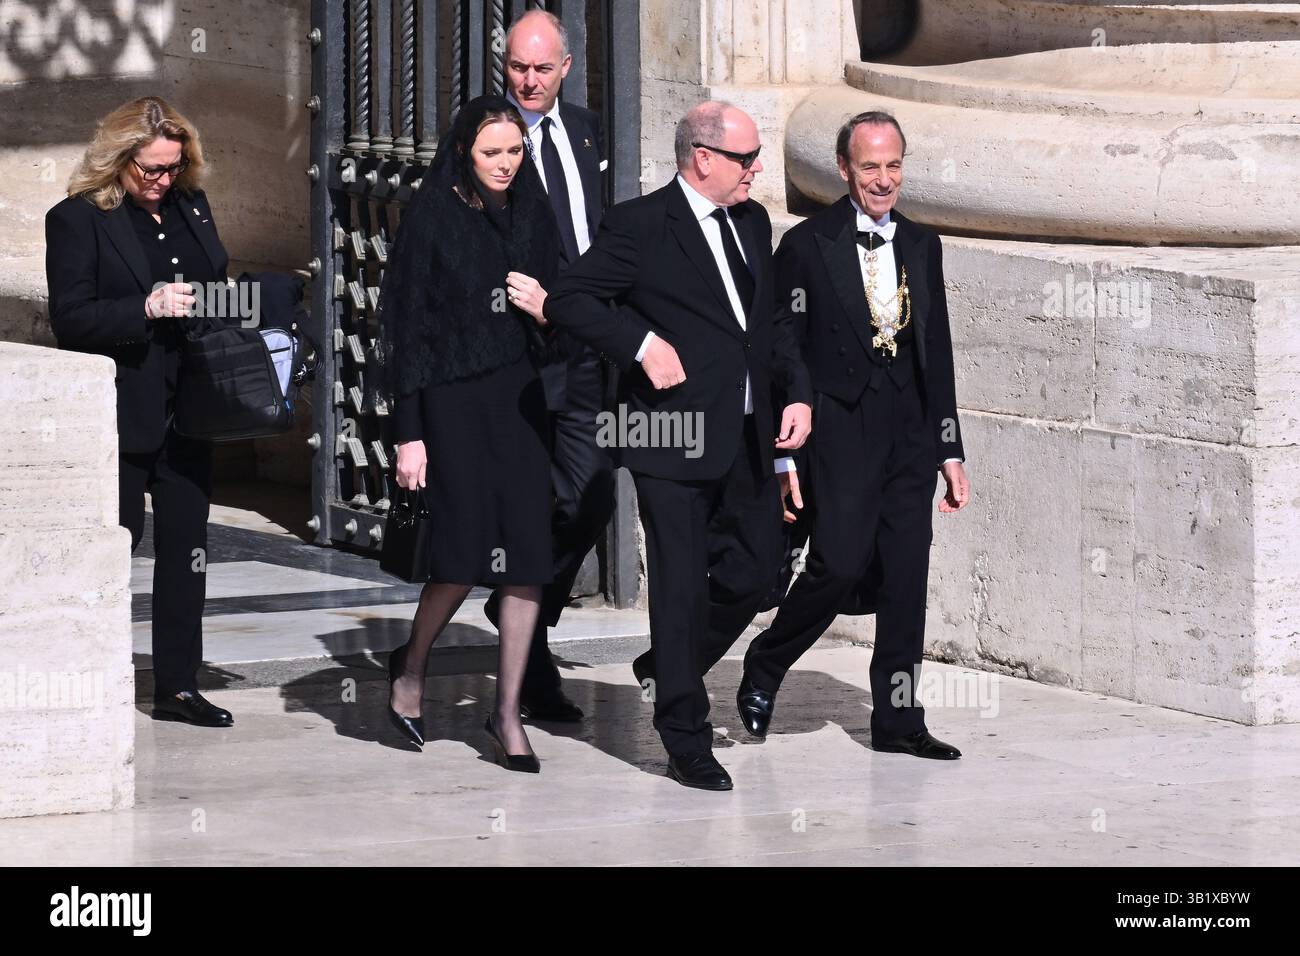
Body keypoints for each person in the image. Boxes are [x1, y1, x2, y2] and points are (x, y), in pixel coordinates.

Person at [544, 102, 813, 790]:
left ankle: (668, 664)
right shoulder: (639, 226)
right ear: (702, 158)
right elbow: (568, 297)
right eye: (746, 159)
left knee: (757, 576)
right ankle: (685, 736)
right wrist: (639, 345)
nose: (757, 170)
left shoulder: (752, 222)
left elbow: (773, 323)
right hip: (670, 437)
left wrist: (799, 395)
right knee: (681, 587)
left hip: (748, 437)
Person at [737, 111, 971, 759]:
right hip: (839, 431)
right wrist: (791, 436)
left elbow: (940, 351)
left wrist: (950, 448)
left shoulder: (925, 245)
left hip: (911, 436)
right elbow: (782, 344)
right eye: (870, 166)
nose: (884, 179)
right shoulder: (808, 246)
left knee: (905, 578)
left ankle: (898, 720)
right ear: (844, 169)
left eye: (894, 165)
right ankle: (766, 662)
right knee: (836, 565)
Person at [376, 96, 558, 772]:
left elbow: (566, 300)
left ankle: (507, 712)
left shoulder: (533, 209)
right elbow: (405, 335)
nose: (506, 164)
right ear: (464, 154)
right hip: (452, 406)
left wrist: (545, 309)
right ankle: (411, 667)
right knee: (457, 557)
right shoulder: (431, 218)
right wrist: (409, 434)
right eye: (492, 153)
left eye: (514, 151)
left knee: (527, 561)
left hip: (521, 401)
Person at [45, 96, 232, 728]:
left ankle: (177, 685)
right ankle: (86, 679)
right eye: (149, 169)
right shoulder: (78, 219)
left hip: (190, 409)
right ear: (119, 160)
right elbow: (71, 318)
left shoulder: (192, 207)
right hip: (121, 413)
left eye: (172, 168)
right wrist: (145, 309)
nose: (162, 181)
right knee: (110, 554)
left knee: (187, 553)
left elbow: (216, 281)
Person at [479, 8, 612, 723]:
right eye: (517, 68)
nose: (528, 81)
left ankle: (518, 607)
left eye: (540, 68)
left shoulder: (587, 131)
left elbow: (598, 227)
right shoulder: (489, 137)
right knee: (533, 505)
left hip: (587, 344)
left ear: (564, 67)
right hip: (522, 353)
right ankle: (530, 672)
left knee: (592, 492)